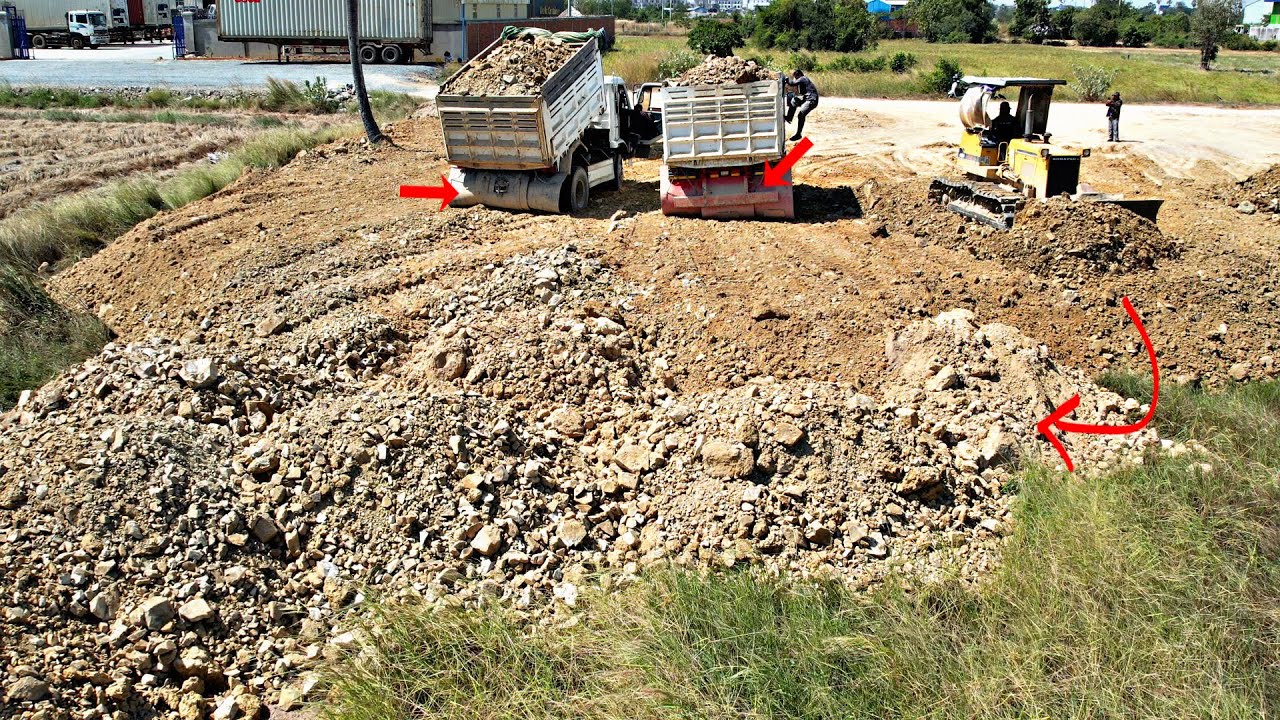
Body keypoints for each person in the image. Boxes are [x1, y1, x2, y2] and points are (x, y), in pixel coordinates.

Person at [782, 69, 819, 142]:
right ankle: (789, 118)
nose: (795, 78)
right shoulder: (803, 80)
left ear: (798, 74)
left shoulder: (803, 78)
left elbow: (792, 83)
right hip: (807, 98)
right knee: (794, 101)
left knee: (801, 114)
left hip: (811, 99)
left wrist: (785, 79)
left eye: (795, 77)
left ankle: (798, 134)